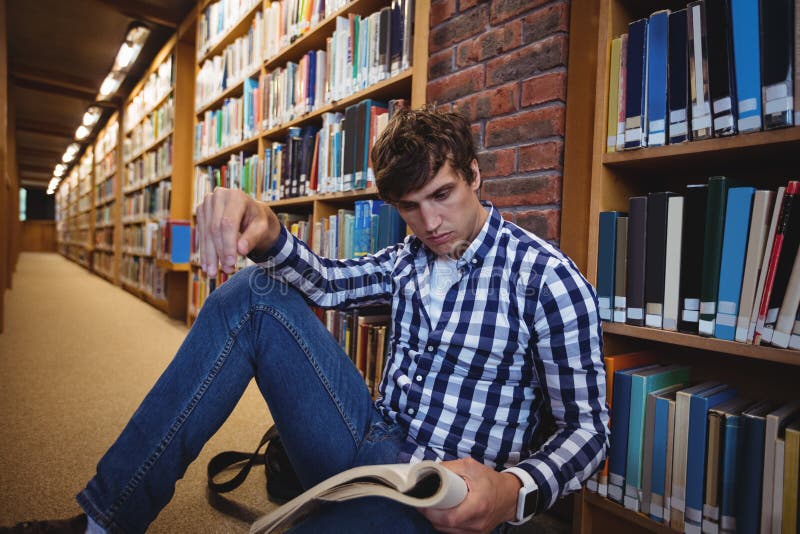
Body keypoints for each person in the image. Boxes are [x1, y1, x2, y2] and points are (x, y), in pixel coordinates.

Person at [4, 108, 609, 534]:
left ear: (475, 175)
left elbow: (588, 430)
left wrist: (512, 490)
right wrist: (267, 229)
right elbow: (325, 282)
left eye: (443, 195)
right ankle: (104, 522)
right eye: (409, 207)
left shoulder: (546, 279)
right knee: (255, 293)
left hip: (444, 493)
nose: (430, 223)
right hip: (373, 443)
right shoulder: (410, 257)